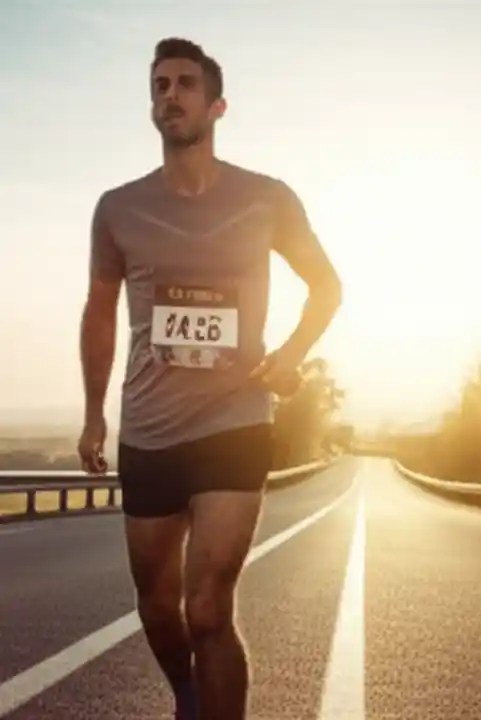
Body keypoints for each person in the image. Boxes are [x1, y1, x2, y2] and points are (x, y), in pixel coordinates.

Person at [77, 38, 342, 720]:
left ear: (216, 105)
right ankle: (187, 693)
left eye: (185, 83)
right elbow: (99, 311)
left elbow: (326, 287)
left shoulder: (267, 198)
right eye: (159, 84)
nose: (170, 94)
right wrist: (93, 414)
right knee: (160, 609)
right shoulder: (118, 208)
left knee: (207, 607)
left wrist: (290, 356)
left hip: (236, 421)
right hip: (150, 429)